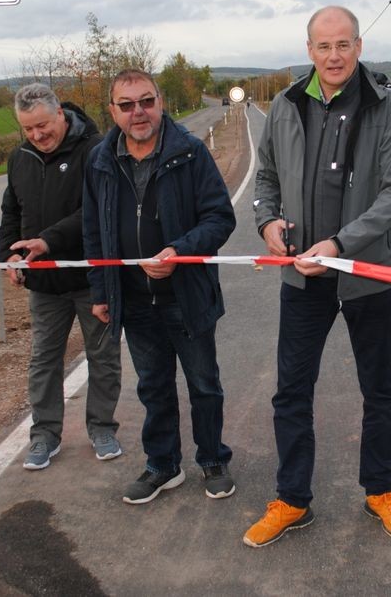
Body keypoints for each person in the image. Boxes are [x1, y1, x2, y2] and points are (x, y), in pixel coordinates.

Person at [244, 5, 391, 547]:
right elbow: (266, 177)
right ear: (310, 50)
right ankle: (293, 499)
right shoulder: (286, 105)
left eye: (343, 45)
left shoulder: (390, 107)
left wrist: (341, 244)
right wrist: (267, 220)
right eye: (324, 46)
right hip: (302, 278)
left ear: (359, 47)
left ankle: (380, 490)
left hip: (367, 274)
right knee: (291, 391)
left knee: (378, 389)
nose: (334, 55)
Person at [82, 69, 237, 505]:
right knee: (153, 388)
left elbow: (220, 218)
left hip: (187, 296)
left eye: (146, 101)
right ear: (113, 111)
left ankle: (212, 460)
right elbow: (93, 233)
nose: (138, 112)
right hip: (133, 300)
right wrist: (100, 291)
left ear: (161, 102)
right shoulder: (99, 161)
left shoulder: (190, 152)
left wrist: (179, 252)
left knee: (204, 384)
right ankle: (163, 466)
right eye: (127, 105)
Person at [0, 83, 123, 471]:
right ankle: (44, 435)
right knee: (43, 360)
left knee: (103, 357)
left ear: (59, 114)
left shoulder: (96, 149)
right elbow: (11, 212)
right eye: (28, 130)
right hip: (44, 283)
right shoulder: (20, 158)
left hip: (93, 279)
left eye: (42, 126)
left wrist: (47, 242)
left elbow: (95, 210)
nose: (37, 136)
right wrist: (10, 255)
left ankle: (102, 428)